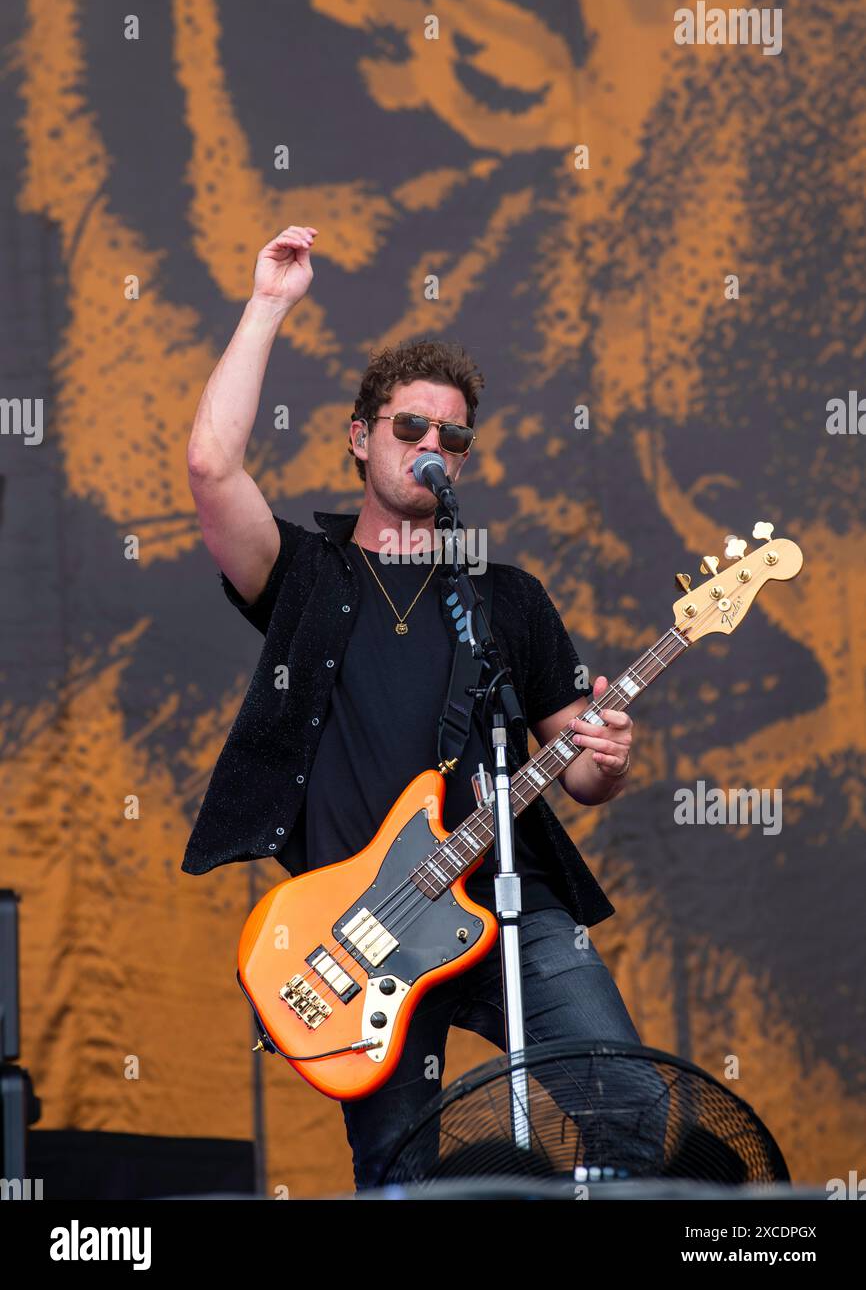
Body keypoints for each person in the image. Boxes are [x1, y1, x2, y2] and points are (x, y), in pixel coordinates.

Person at [184, 225, 656, 1192]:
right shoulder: (307, 576)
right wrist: (269, 303)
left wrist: (605, 757)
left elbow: (578, 763)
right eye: (409, 428)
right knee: (402, 1175)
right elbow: (210, 469)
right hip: (362, 933)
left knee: (633, 1112)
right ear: (362, 439)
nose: (431, 447)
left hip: (503, 902)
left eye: (452, 437)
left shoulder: (504, 594)